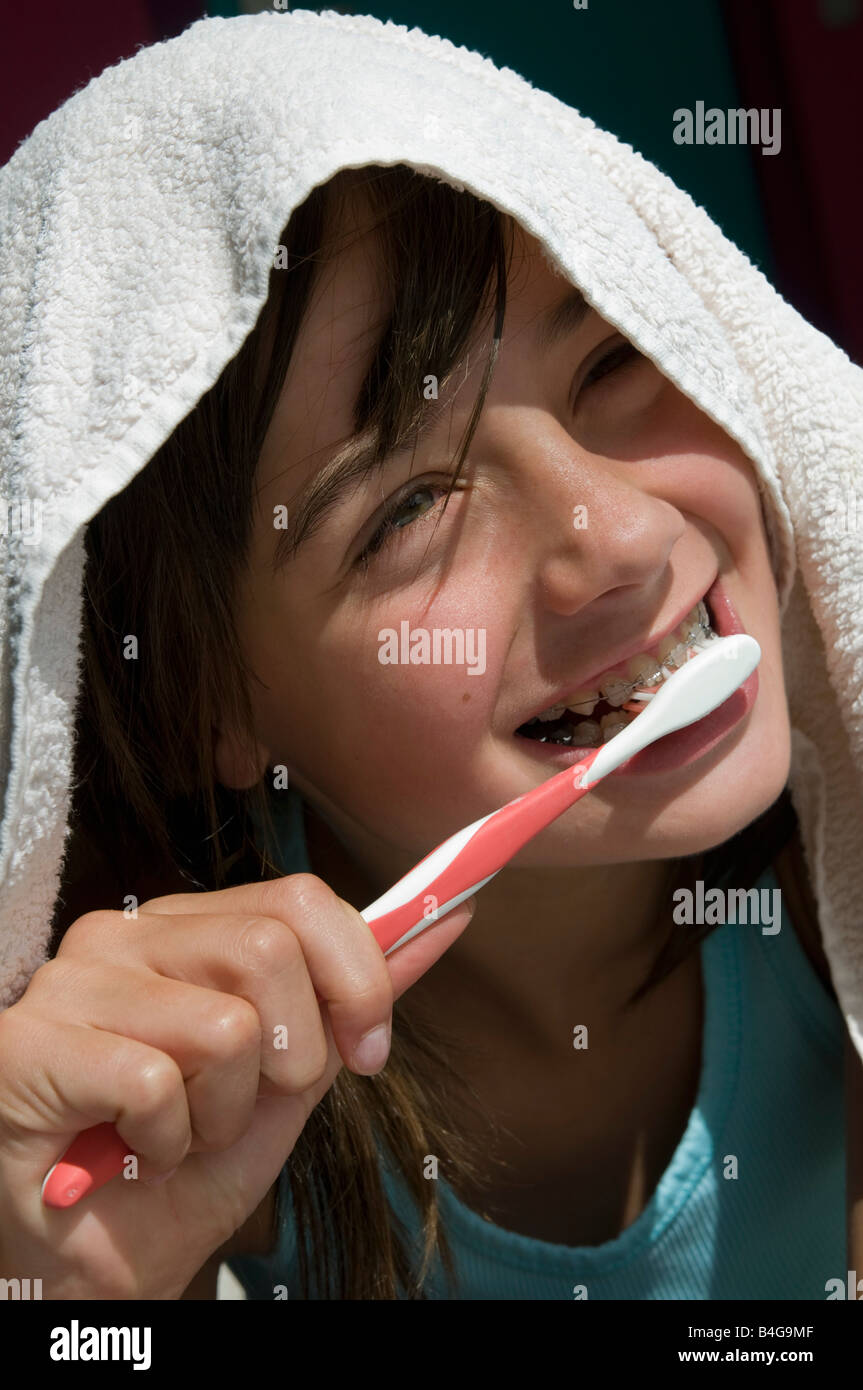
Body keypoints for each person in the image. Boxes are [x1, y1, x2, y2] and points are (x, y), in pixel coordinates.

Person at [0, 12, 860, 1302]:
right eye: (407, 508)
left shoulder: (822, 912)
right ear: (203, 702)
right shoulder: (160, 1136)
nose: (619, 537)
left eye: (621, 355)